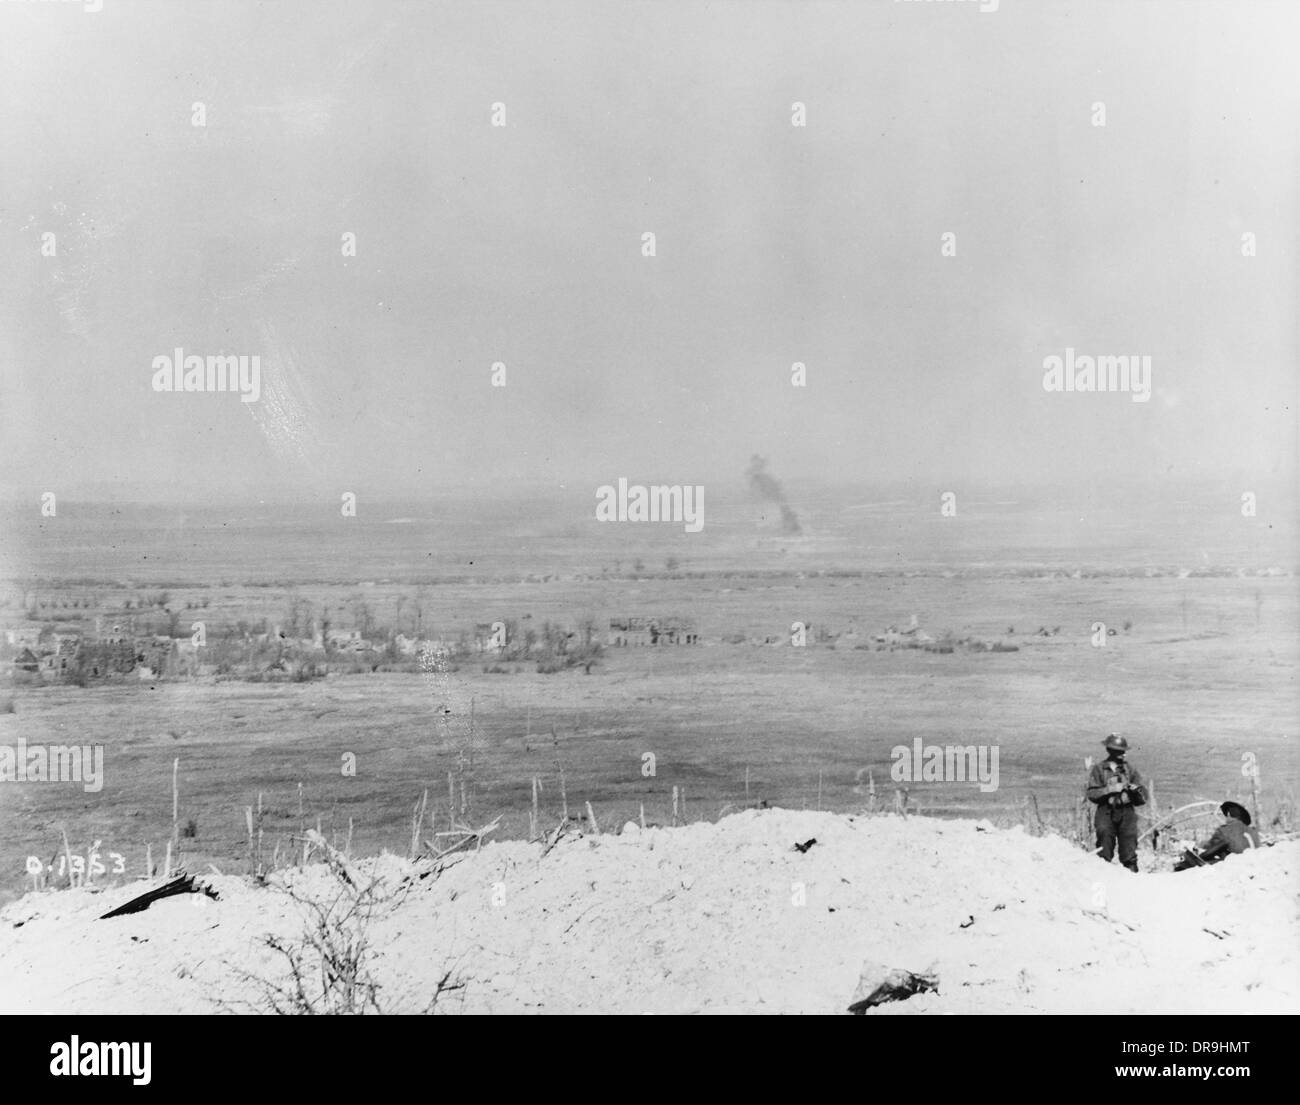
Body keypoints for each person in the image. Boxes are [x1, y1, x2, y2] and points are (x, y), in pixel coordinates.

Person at [1085, 734, 1147, 872]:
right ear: (1110, 751)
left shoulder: (1130, 769)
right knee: (1104, 846)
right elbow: (1091, 793)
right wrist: (1109, 790)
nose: (1122, 754)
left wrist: (1136, 791)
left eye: (1123, 751)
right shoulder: (1099, 769)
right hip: (1106, 811)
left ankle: (1132, 880)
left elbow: (1143, 796)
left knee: (1129, 847)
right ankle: (1103, 879)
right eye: (1119, 751)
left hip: (1127, 812)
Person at [1173, 801, 1261, 871]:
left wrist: (1198, 849)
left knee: (1188, 862)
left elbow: (1210, 847)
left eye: (1226, 815)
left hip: (1235, 866)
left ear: (1229, 814)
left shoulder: (1225, 830)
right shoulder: (1253, 831)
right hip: (1255, 865)